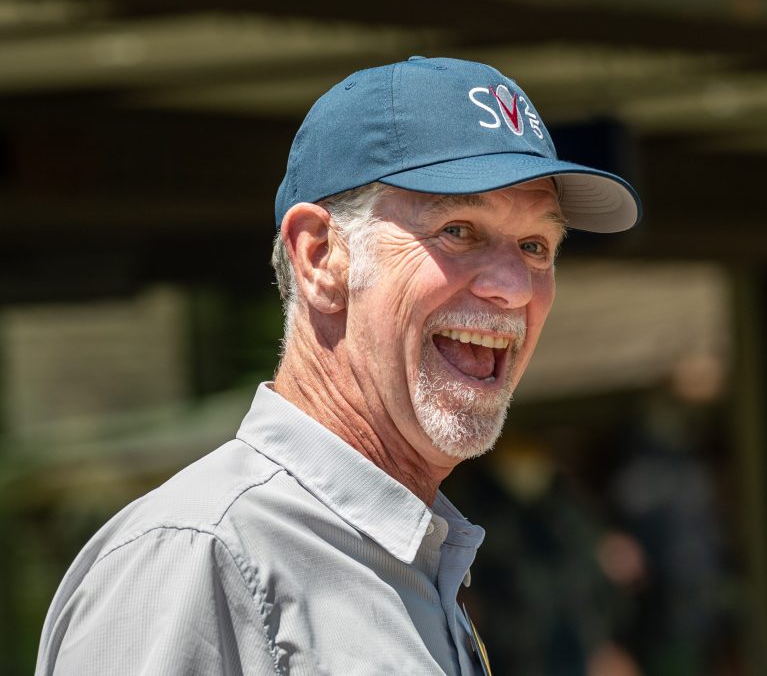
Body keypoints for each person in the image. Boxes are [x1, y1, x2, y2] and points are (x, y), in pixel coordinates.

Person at [35, 56, 641, 675]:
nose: (513, 286)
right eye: (459, 230)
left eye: (536, 246)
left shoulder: (418, 562)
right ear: (322, 257)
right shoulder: (197, 559)